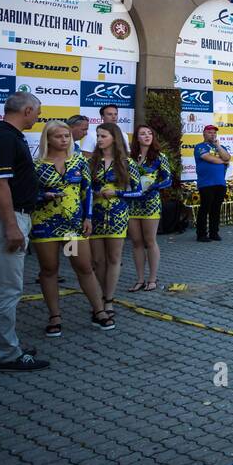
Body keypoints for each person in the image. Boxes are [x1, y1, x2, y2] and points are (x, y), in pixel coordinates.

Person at [0, 92, 48, 371]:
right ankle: (8, 354)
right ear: (27, 110)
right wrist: (11, 226)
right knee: (6, 291)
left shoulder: (6, 135)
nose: (39, 117)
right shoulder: (6, 137)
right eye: (37, 112)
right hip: (3, 221)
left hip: (1, 219)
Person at [31, 120, 111, 335]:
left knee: (83, 267)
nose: (64, 140)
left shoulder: (78, 161)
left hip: (72, 228)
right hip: (44, 225)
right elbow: (27, 195)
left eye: (66, 136)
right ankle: (55, 316)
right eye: (58, 136)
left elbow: (87, 191)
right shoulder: (36, 165)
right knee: (49, 270)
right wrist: (43, 196)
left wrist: (88, 218)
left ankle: (98, 311)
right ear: (48, 139)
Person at [88, 123, 142, 320]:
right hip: (95, 215)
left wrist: (116, 192)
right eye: (98, 136)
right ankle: (100, 297)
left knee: (114, 259)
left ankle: (108, 299)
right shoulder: (92, 162)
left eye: (103, 136)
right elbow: (83, 189)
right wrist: (93, 193)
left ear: (114, 138)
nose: (99, 139)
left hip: (118, 215)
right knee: (97, 260)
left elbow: (137, 192)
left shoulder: (127, 163)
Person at [126, 124, 172, 290]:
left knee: (150, 241)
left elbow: (168, 179)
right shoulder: (130, 158)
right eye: (142, 134)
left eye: (149, 133)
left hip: (151, 202)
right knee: (136, 242)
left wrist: (154, 187)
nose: (146, 136)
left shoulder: (160, 157)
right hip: (132, 203)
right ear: (137, 138)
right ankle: (140, 279)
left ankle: (152, 279)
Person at [194, 125, 231, 241]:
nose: (213, 134)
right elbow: (208, 158)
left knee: (216, 209)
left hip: (220, 183)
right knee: (205, 209)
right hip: (206, 183)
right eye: (210, 132)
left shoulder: (221, 147)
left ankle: (214, 233)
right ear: (204, 134)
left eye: (214, 133)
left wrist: (218, 146)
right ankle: (201, 234)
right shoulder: (200, 146)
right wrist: (223, 161)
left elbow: (227, 157)